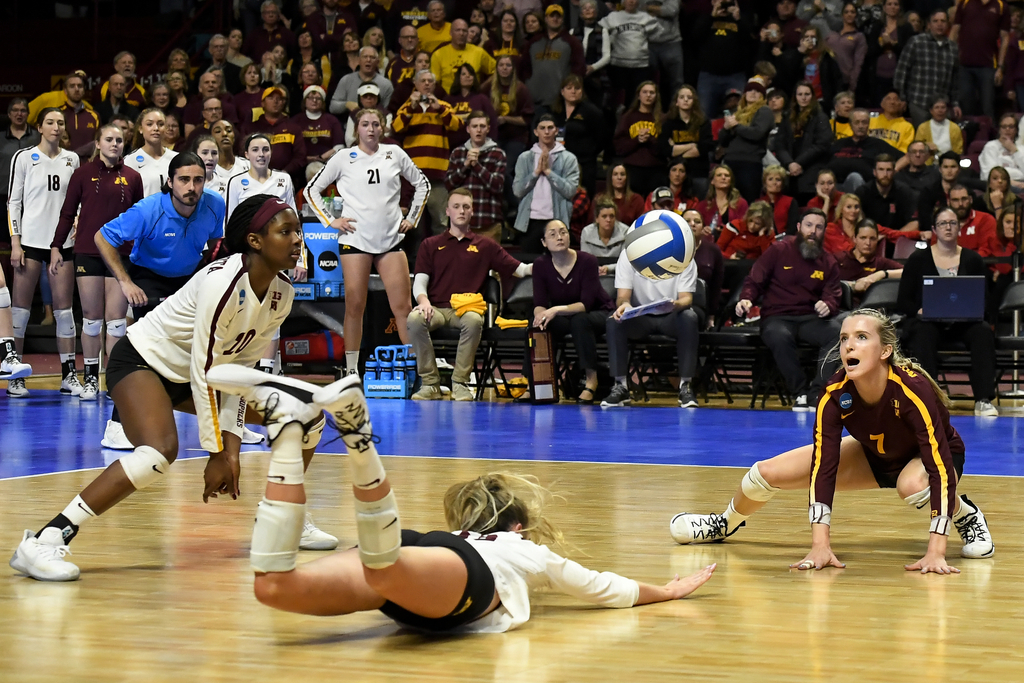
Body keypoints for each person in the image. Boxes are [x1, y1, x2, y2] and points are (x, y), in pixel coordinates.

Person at [205, 366, 718, 632]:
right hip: (449, 572)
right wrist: (666, 591)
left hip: (416, 555)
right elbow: (606, 588)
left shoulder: (452, 535)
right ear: (516, 525)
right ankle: (358, 434)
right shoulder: (524, 551)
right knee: (380, 569)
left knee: (272, 588)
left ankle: (288, 427)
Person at [8, 195, 339, 582]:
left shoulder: (282, 293)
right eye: (287, 232)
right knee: (159, 452)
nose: (298, 240)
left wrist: (231, 452)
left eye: (298, 231)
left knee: (307, 414)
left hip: (195, 374)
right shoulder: (222, 284)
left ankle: (282, 515)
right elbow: (204, 372)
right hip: (143, 361)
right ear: (254, 241)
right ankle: (45, 539)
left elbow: (240, 375)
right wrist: (216, 452)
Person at [670, 308, 995, 573]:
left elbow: (938, 463)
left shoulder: (912, 389)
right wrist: (820, 545)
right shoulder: (835, 393)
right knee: (763, 474)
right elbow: (823, 469)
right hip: (875, 456)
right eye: (844, 339)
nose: (849, 346)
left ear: (885, 351)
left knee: (912, 484)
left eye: (861, 337)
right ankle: (723, 524)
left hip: (933, 460)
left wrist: (937, 549)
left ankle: (964, 514)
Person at [304, 108, 430, 376]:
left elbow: (423, 185)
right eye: (365, 124)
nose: (371, 129)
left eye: (375, 124)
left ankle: (414, 368)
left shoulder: (395, 153)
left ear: (383, 128)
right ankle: (351, 370)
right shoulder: (343, 157)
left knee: (403, 307)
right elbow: (310, 190)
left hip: (390, 240)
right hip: (355, 239)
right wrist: (330, 220)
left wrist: (412, 217)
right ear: (356, 129)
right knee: (355, 305)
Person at [49, 124, 144, 400]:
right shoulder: (81, 174)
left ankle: (113, 380)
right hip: (88, 252)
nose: (115, 144)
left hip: (121, 255)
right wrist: (56, 246)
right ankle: (90, 379)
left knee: (116, 323)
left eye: (119, 140)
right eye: (109, 140)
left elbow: (139, 217)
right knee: (91, 321)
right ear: (98, 143)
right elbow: (67, 214)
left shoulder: (133, 177)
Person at [409, 189, 530, 401]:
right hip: (435, 309)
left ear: (472, 211)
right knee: (414, 318)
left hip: (465, 310)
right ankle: (430, 384)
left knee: (474, 320)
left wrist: (550, 264)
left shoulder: (486, 245)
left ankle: (460, 383)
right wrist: (423, 301)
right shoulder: (430, 244)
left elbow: (520, 270)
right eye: (456, 206)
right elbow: (420, 281)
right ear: (447, 211)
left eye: (466, 207)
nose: (461, 211)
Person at [5, 109, 81, 398]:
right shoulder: (24, 157)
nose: (56, 127)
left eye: (60, 123)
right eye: (50, 122)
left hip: (61, 245)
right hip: (29, 244)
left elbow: (77, 200)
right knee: (20, 313)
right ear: (39, 127)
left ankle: (68, 375)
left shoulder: (72, 159)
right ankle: (16, 376)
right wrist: (15, 242)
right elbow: (14, 202)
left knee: (64, 313)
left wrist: (76, 221)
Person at [736, 208, 843, 410]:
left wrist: (828, 304)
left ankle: (817, 392)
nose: (813, 231)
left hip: (809, 317)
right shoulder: (778, 250)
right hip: (777, 316)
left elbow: (833, 293)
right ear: (799, 227)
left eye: (819, 227)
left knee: (837, 335)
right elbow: (754, 280)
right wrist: (746, 299)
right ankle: (800, 391)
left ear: (824, 232)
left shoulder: (828, 261)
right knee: (779, 336)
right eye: (809, 225)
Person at [897, 206, 999, 416]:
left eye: (953, 223)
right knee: (921, 332)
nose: (948, 228)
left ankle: (983, 400)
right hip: (928, 322)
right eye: (943, 223)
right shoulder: (918, 259)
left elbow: (986, 299)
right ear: (934, 229)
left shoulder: (973, 259)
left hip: (964, 323)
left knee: (982, 331)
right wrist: (919, 311)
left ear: (959, 228)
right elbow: (903, 301)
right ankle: (932, 398)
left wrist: (975, 310)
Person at [601, 219, 701, 408]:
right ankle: (620, 386)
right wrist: (623, 306)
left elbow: (687, 298)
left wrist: (675, 304)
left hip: (672, 316)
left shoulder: (684, 254)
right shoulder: (627, 256)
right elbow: (623, 297)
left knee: (690, 317)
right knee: (614, 321)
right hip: (640, 317)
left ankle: (685, 385)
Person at [531, 219, 613, 403]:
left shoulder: (587, 261)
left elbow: (586, 304)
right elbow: (540, 302)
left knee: (580, 320)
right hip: (564, 314)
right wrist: (540, 315)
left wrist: (554, 310)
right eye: (552, 234)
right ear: (544, 242)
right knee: (539, 325)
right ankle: (536, 384)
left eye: (563, 232)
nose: (559, 237)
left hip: (596, 312)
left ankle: (592, 380)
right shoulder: (541, 264)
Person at [392, 70, 463, 233]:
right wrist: (411, 107)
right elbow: (396, 127)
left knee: (441, 221)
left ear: (435, 85)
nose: (426, 84)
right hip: (413, 177)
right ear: (416, 84)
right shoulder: (407, 106)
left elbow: (457, 126)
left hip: (437, 176)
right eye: (422, 81)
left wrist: (440, 109)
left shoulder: (444, 106)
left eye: (430, 81)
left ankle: (442, 256)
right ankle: (415, 258)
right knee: (413, 223)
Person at [512, 115, 580, 253]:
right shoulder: (525, 158)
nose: (546, 132)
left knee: (557, 265)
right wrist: (536, 173)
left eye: (550, 128)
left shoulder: (568, 158)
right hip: (530, 222)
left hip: (557, 219)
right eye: (542, 128)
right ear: (536, 132)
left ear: (556, 131)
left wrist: (549, 172)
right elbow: (518, 191)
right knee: (530, 267)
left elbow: (570, 191)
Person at [443, 111, 506, 241]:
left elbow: (497, 186)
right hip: (461, 224)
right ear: (468, 129)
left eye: (482, 126)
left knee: (490, 262)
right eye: (474, 126)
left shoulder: (498, 154)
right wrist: (465, 165)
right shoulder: (458, 153)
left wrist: (476, 165)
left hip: (488, 222)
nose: (478, 130)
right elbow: (449, 185)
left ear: (488, 129)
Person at [894, 9, 961, 127]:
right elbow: (901, 71)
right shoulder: (916, 42)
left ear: (947, 24)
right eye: (935, 21)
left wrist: (955, 103)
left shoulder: (953, 48)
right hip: (918, 102)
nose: (939, 24)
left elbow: (955, 80)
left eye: (943, 21)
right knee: (922, 141)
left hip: (941, 106)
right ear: (929, 24)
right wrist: (901, 97)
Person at [483, 54, 533, 203]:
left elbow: (526, 120)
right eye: (501, 65)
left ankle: (515, 206)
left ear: (513, 69)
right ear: (496, 68)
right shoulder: (487, 87)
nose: (505, 68)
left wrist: (506, 119)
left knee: (504, 170)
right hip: (494, 137)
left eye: (508, 65)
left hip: (515, 138)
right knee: (491, 171)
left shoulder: (521, 89)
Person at [949, 0, 1011, 120]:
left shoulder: (1001, 6)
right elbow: (954, 31)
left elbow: (1005, 38)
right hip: (964, 64)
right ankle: (967, 135)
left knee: (987, 106)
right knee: (965, 104)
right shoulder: (965, 3)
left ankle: (989, 136)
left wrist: (1000, 67)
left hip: (988, 65)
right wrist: (950, 57)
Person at [694, 0, 754, 117]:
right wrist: (711, 16)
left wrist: (738, 18)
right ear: (713, 2)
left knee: (738, 115)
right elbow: (695, 38)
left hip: (735, 76)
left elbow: (750, 42)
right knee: (703, 115)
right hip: (708, 76)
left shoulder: (741, 19)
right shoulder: (705, 18)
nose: (724, 6)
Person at [242, 86, 309, 188]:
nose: (276, 101)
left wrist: (284, 172)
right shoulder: (250, 128)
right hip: (255, 179)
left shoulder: (293, 128)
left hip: (285, 179)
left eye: (280, 99)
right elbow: (242, 153)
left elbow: (300, 157)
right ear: (262, 103)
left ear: (284, 103)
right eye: (271, 98)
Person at [520, 4, 586, 107]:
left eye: (558, 16)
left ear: (562, 19)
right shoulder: (533, 42)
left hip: (560, 102)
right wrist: (529, 86)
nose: (555, 19)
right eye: (552, 16)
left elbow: (578, 70)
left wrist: (569, 93)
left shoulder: (572, 42)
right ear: (546, 19)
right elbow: (524, 67)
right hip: (534, 101)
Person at [226, 132, 299, 222]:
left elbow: (293, 216)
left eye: (265, 149)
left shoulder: (284, 178)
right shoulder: (236, 181)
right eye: (255, 150)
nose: (261, 154)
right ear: (247, 154)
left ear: (271, 152)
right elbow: (231, 220)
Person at [599, 0, 659, 107]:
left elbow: (658, 37)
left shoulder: (647, 18)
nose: (631, 1)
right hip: (618, 66)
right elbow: (598, 31)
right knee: (617, 101)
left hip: (641, 66)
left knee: (637, 101)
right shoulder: (613, 17)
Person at [829, 108, 903, 191]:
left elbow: (906, 157)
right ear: (850, 124)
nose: (860, 126)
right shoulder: (839, 143)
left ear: (868, 124)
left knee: (855, 177)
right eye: (857, 122)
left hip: (864, 188)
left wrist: (893, 170)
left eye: (864, 122)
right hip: (835, 186)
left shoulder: (877, 144)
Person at [28, 72, 100, 156]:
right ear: (65, 91)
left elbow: (98, 143)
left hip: (87, 166)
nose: (76, 89)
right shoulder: (57, 114)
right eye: (72, 86)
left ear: (84, 90)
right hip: (60, 163)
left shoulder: (94, 116)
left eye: (80, 86)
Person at [659, 85, 713, 197]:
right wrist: (692, 145)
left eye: (689, 97)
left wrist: (677, 150)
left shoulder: (702, 123)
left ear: (694, 102)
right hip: (675, 175)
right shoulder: (668, 123)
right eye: (682, 97)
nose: (686, 100)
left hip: (698, 173)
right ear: (676, 102)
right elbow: (665, 150)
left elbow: (705, 147)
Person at [612, 81, 664, 197]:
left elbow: (665, 148)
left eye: (652, 92)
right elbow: (619, 146)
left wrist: (650, 139)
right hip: (632, 170)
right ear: (638, 95)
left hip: (656, 170)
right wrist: (637, 140)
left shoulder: (662, 119)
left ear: (656, 96)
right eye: (645, 92)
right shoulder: (628, 117)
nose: (648, 95)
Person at [834, 221, 902, 304]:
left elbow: (909, 272)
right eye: (863, 238)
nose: (868, 243)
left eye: (872, 238)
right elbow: (824, 281)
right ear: (854, 239)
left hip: (869, 311)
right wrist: (853, 285)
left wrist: (882, 274)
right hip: (840, 309)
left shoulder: (880, 262)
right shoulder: (839, 259)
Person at [777, 26, 842, 109]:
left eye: (813, 37)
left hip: (822, 100)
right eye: (806, 37)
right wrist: (800, 52)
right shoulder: (795, 55)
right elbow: (788, 74)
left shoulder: (826, 56)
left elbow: (837, 78)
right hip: (802, 100)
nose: (809, 40)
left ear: (818, 39)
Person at [1, 99, 40, 235]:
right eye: (15, 110)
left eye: (23, 110)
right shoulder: (0, 138)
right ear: (9, 114)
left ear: (28, 114)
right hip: (3, 195)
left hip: (31, 196)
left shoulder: (38, 137)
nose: (19, 114)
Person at [865, 0, 914, 104]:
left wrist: (892, 43)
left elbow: (908, 53)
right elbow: (870, 52)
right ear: (884, 7)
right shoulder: (877, 26)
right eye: (889, 4)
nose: (892, 7)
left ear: (900, 7)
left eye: (896, 4)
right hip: (878, 77)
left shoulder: (906, 27)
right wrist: (881, 44)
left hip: (898, 77)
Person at [856, 154, 918, 235]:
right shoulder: (863, 192)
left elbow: (915, 223)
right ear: (874, 172)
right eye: (881, 169)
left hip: (897, 239)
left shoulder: (905, 192)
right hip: (870, 240)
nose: (885, 174)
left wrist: (891, 237)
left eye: (888, 170)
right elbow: (854, 221)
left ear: (894, 172)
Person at [684, 209, 725, 327]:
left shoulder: (713, 250)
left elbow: (716, 286)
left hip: (700, 307)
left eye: (697, 221)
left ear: (703, 227)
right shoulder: (669, 248)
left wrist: (711, 316)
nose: (692, 224)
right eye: (687, 221)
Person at [431, 19, 496, 93]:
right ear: (451, 33)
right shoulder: (438, 54)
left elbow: (497, 71)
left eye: (464, 31)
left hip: (473, 98)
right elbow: (434, 82)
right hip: (448, 100)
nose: (461, 33)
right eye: (458, 30)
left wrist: (482, 88)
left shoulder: (479, 52)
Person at [124, 109, 179, 197]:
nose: (156, 128)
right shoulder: (130, 161)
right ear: (140, 129)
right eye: (149, 124)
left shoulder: (177, 158)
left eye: (161, 124)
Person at [330, 46, 395, 114]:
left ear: (377, 62)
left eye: (372, 57)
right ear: (359, 60)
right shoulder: (346, 80)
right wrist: (346, 105)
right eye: (365, 57)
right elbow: (333, 107)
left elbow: (388, 111)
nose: (368, 60)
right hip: (350, 121)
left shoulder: (386, 84)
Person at [293, 85, 344, 168]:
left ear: (323, 102)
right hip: (301, 163)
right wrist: (305, 158)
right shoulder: (295, 120)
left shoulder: (332, 120)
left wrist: (322, 157)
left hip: (327, 162)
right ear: (304, 101)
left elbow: (339, 146)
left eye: (318, 98)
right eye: (310, 98)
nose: (314, 101)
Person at [695, 165, 749, 238]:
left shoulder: (741, 203)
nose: (723, 178)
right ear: (712, 181)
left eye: (727, 175)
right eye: (719, 175)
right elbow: (695, 228)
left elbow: (745, 228)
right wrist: (703, 230)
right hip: (709, 244)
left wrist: (728, 231)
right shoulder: (703, 205)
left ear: (731, 180)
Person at [945, 184, 999, 257]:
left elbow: (987, 250)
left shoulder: (985, 219)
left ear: (970, 200)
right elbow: (936, 251)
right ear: (948, 202)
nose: (960, 204)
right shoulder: (942, 223)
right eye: (955, 200)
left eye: (964, 199)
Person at [827, 3, 868, 95]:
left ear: (856, 15)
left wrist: (852, 85)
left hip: (845, 80)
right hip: (828, 79)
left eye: (852, 12)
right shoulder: (832, 34)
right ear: (842, 15)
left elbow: (858, 63)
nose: (849, 14)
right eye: (846, 12)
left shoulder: (859, 36)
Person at [580, 199, 627, 275]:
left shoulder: (624, 232)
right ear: (597, 219)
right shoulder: (587, 232)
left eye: (612, 216)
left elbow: (626, 262)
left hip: (619, 274)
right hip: (593, 274)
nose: (608, 220)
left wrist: (609, 268)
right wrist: (596, 269)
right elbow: (585, 261)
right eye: (604, 216)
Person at [917, 151, 965, 225]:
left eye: (953, 167)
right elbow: (925, 221)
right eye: (945, 167)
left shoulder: (966, 192)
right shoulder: (928, 193)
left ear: (959, 169)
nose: (949, 171)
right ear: (940, 169)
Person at [980, 114, 1024, 188]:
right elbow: (990, 175)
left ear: (1016, 130)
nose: (1007, 129)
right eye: (1004, 127)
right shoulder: (991, 147)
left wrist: (1014, 150)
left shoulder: (1021, 148)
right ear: (999, 130)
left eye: (1011, 126)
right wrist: (1017, 183)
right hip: (998, 186)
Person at [914, 95, 963, 160]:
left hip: (949, 162)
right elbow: (916, 148)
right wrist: (926, 146)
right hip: (928, 163)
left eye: (943, 107)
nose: (940, 110)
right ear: (931, 111)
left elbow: (958, 151)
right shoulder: (923, 127)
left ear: (947, 110)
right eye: (937, 107)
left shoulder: (955, 128)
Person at [760, 165, 800, 234]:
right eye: (770, 179)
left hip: (784, 241)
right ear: (765, 183)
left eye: (778, 180)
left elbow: (793, 228)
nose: (774, 183)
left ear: (782, 183)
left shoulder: (790, 201)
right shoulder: (758, 203)